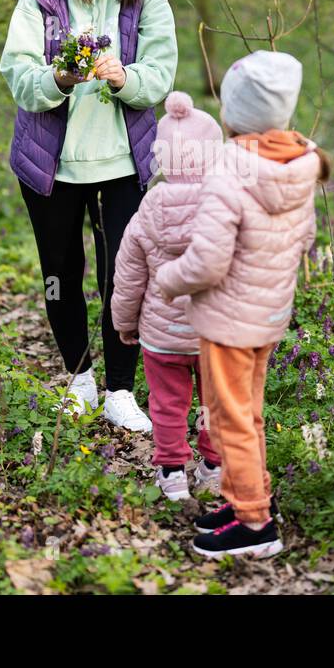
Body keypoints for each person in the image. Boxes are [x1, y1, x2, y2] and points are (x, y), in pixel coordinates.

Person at [0, 0, 177, 431]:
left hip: (123, 165)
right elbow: (19, 74)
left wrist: (125, 77)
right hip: (52, 166)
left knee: (123, 278)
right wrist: (60, 77)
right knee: (61, 272)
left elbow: (161, 74)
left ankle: (121, 390)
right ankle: (79, 379)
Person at [156, 51, 331, 558]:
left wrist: (168, 279)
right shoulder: (297, 162)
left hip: (229, 322)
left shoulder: (229, 169)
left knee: (229, 416)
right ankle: (241, 499)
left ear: (235, 113)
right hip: (269, 316)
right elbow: (306, 240)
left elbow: (207, 263)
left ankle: (255, 525)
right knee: (245, 412)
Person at [111, 91, 225, 500]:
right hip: (213, 334)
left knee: (167, 405)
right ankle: (213, 467)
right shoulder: (225, 205)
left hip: (162, 337)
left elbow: (127, 275)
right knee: (215, 405)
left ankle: (173, 472)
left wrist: (124, 323)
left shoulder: (147, 208)